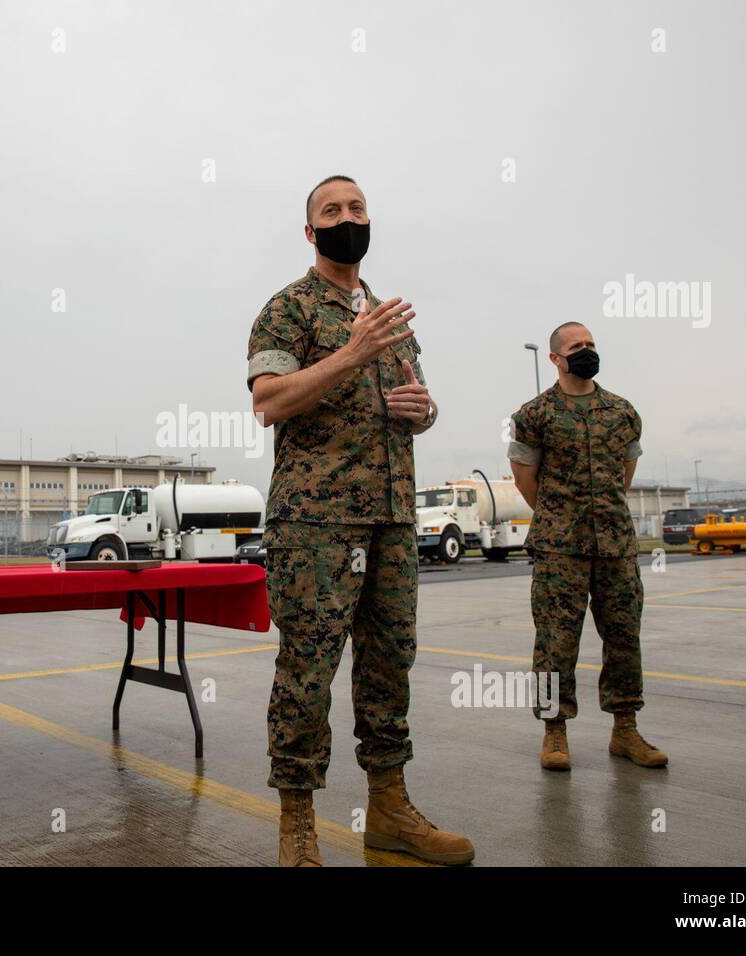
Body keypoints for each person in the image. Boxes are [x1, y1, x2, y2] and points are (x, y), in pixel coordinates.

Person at [246, 174, 472, 866]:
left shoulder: (386, 312)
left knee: (388, 668)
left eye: (358, 208)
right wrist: (353, 353)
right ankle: (297, 824)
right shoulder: (288, 310)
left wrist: (424, 411)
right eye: (332, 211)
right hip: (315, 525)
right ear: (311, 233)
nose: (349, 218)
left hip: (393, 519)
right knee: (308, 672)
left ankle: (389, 808)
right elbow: (269, 400)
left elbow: (420, 402)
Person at [507, 322, 668, 772]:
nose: (588, 352)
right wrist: (563, 517)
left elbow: (625, 473)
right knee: (555, 643)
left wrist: (600, 513)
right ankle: (554, 731)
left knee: (623, 638)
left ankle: (625, 729)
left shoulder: (622, 412)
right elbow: (525, 480)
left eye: (592, 345)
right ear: (555, 358)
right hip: (561, 549)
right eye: (578, 347)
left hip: (615, 545)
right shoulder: (534, 415)